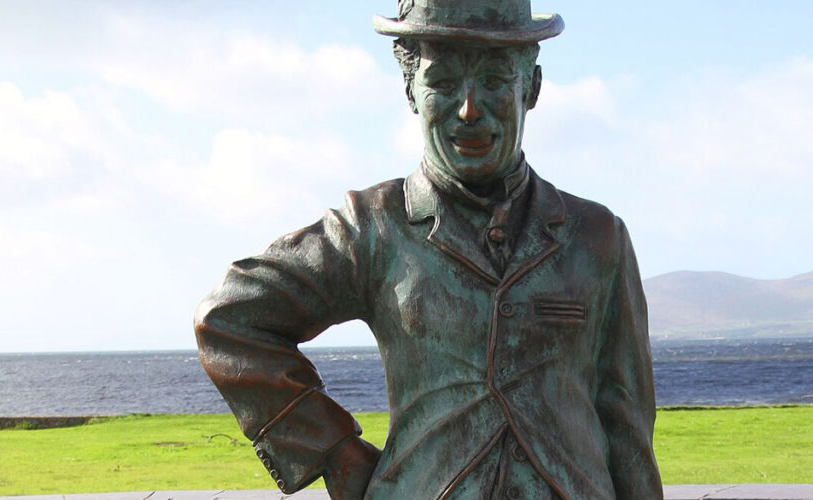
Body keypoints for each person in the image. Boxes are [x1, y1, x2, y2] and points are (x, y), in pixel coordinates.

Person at [194, 1, 663, 498]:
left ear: (533, 87)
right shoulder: (373, 227)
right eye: (442, 83)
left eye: (495, 80)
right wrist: (332, 451)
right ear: (410, 91)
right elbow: (228, 319)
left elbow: (627, 425)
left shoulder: (597, 237)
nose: (469, 109)